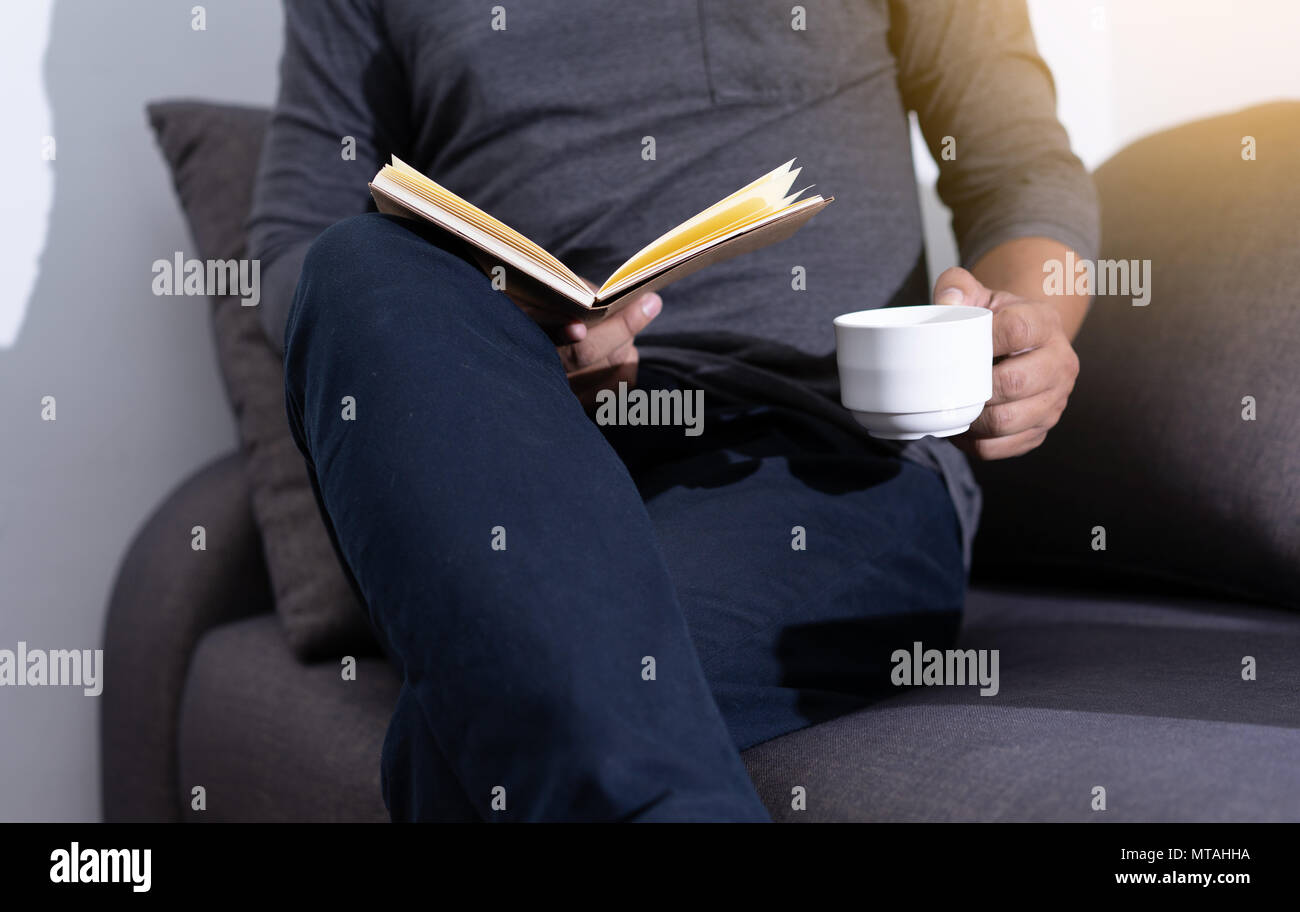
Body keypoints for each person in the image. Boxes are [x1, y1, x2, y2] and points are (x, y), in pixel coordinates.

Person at [248, 0, 1097, 821]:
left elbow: (1021, 169)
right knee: (351, 262)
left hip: (815, 456)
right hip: (509, 454)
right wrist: (507, 321)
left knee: (465, 744)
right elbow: (288, 241)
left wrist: (1027, 326)